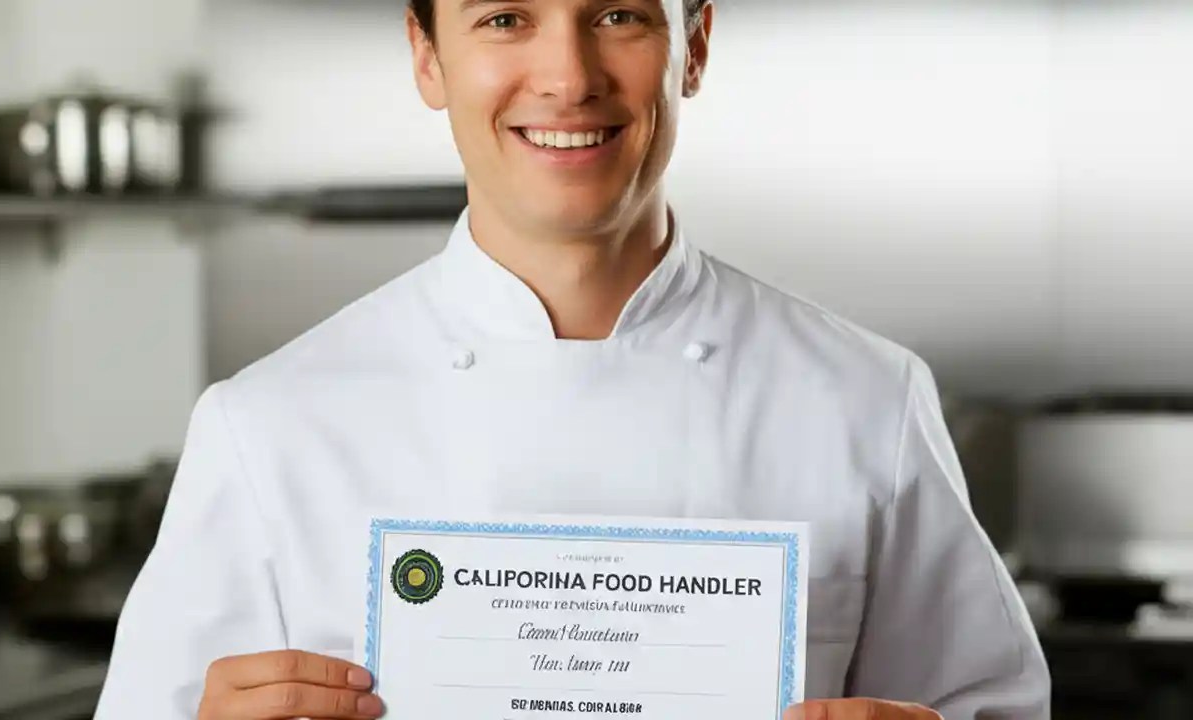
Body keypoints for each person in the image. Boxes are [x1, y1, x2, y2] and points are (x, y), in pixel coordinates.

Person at [94, 1, 1051, 718]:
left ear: (696, 45)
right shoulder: (267, 424)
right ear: (427, 56)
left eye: (620, 15)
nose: (568, 75)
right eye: (506, 17)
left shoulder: (868, 400)